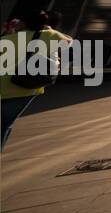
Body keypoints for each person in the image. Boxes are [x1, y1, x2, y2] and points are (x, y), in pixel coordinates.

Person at [1, 8, 71, 148]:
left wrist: (8, 32)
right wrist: (49, 29)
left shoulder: (7, 39)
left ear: (23, 23)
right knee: (5, 124)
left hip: (2, 86)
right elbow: (69, 41)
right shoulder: (50, 35)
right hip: (26, 88)